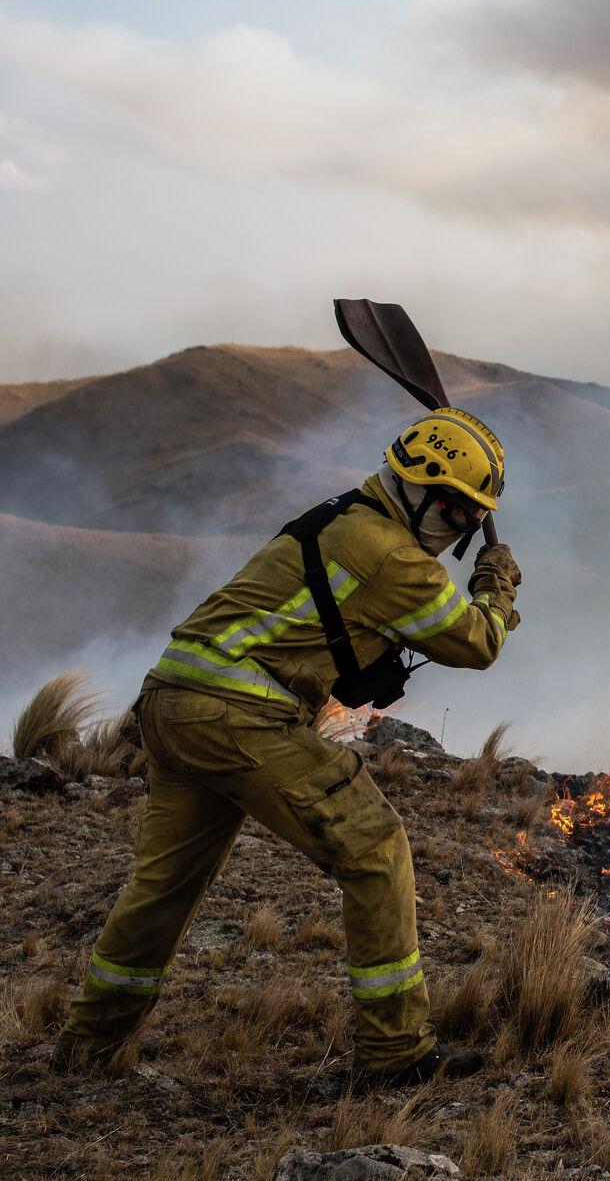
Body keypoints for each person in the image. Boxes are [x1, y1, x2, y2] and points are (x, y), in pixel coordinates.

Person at [54, 408, 523, 1085]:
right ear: (413, 486)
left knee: (164, 887)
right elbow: (477, 642)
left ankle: (87, 1049)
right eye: (451, 510)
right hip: (236, 712)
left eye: (471, 519)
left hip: (171, 696)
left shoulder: (341, 515)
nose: (457, 527)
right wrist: (496, 582)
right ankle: (395, 1051)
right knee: (375, 847)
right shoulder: (391, 556)